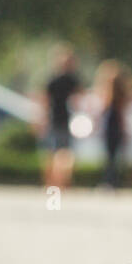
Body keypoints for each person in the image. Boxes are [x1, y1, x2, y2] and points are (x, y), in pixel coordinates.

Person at [40, 45, 81, 189]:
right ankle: (56, 182)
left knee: (57, 153)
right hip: (59, 119)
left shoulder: (61, 80)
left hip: (63, 120)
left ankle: (56, 182)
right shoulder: (63, 80)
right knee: (59, 153)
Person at [95, 59, 132, 188]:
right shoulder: (119, 95)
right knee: (114, 157)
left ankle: (110, 181)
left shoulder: (109, 94)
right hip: (114, 126)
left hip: (110, 127)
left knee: (110, 157)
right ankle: (113, 181)